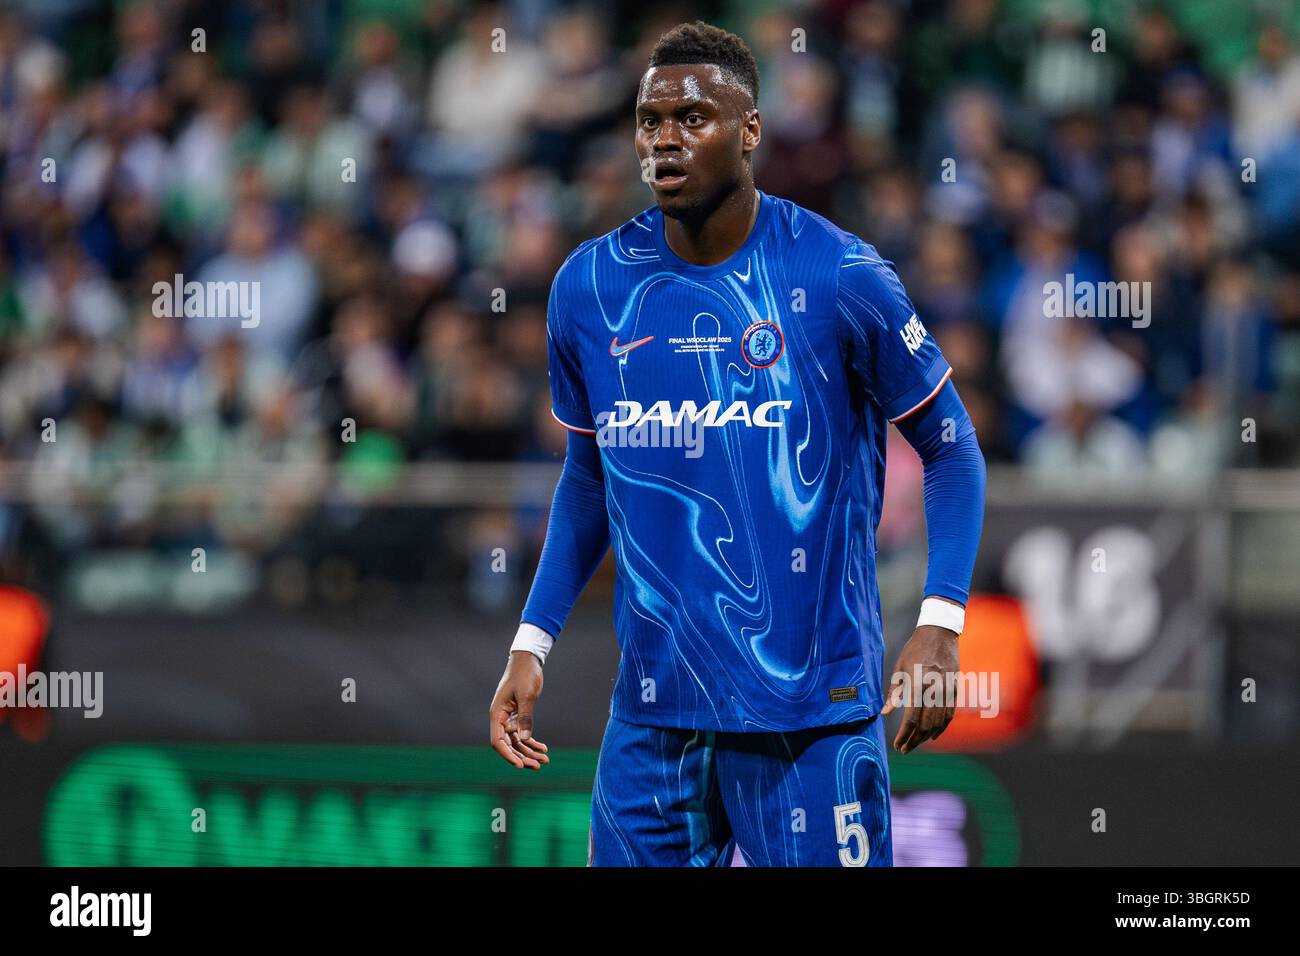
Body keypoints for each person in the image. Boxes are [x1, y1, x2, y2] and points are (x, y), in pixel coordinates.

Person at [488, 21, 985, 867]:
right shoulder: (589, 287)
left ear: (750, 131)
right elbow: (586, 476)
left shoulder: (838, 274)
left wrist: (940, 623)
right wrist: (531, 642)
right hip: (652, 718)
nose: (665, 140)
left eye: (693, 118)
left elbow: (952, 449)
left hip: (811, 716)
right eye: (650, 121)